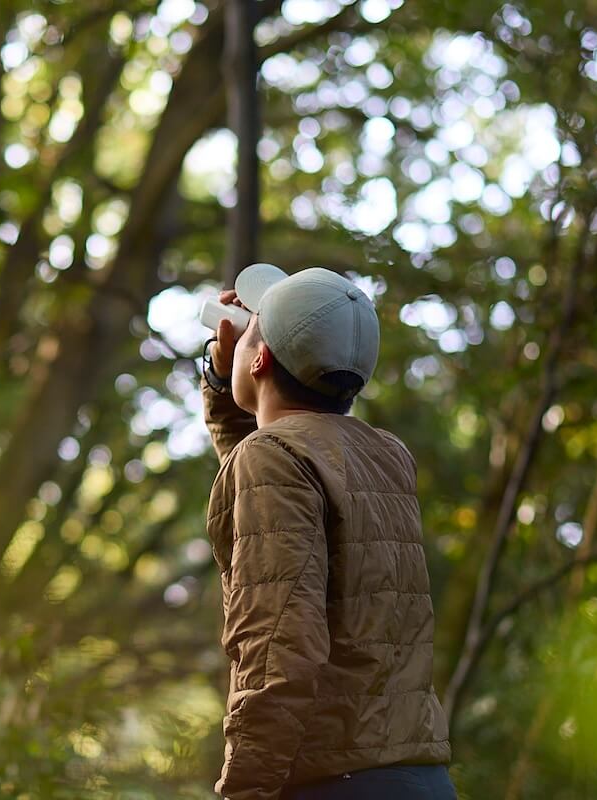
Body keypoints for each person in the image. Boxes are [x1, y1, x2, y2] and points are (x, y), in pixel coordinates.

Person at [199, 266, 455, 800]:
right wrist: (224, 389)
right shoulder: (385, 454)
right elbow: (273, 512)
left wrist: (245, 789)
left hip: (333, 784)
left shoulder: (271, 458)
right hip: (418, 777)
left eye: (249, 332)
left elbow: (276, 647)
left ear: (261, 358)